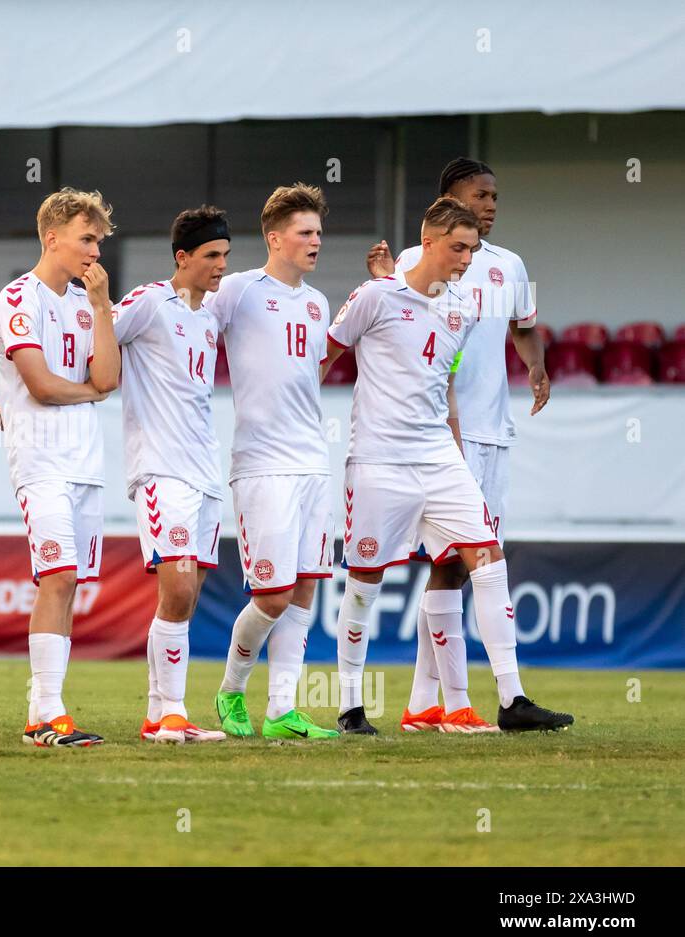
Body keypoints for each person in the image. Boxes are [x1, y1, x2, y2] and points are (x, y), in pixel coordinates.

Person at [320, 197, 572, 734]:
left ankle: (512, 699)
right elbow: (324, 357)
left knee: (486, 554)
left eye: (472, 250)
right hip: (378, 458)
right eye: (458, 248)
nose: (465, 258)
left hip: (439, 455)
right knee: (365, 579)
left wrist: (455, 447)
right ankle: (349, 705)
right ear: (428, 241)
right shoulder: (374, 295)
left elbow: (445, 387)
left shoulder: (463, 308)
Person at [366, 158, 551, 733]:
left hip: (494, 431)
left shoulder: (512, 265)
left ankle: (427, 702)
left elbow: (523, 326)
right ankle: (460, 700)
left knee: (461, 568)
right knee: (462, 562)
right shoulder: (416, 262)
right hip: (441, 432)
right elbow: (391, 318)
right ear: (449, 199)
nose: (491, 204)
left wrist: (537, 368)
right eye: (480, 194)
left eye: (496, 195)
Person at [207, 184, 340, 740]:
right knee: (273, 593)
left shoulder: (317, 303)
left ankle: (283, 710)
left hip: (313, 461)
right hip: (262, 465)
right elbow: (187, 330)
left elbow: (312, 373)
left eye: (318, 232)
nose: (315, 242)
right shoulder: (236, 290)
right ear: (274, 237)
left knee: (305, 588)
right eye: (305, 233)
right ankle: (231, 690)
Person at [0, 187, 119, 747]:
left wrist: (101, 307)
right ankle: (42, 714)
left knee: (67, 589)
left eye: (98, 241)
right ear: (53, 238)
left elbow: (108, 380)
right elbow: (40, 386)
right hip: (40, 462)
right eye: (87, 239)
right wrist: (87, 391)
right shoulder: (19, 299)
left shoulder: (81, 304)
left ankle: (51, 707)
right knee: (57, 577)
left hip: (85, 465)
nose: (94, 251)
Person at [113, 205, 231, 744]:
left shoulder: (209, 316)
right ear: (182, 257)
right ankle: (173, 709)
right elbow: (99, 339)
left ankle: (160, 714)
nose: (220, 266)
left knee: (188, 593)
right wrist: (19, 397)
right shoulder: (147, 302)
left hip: (206, 471)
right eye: (211, 255)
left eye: (226, 255)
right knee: (177, 585)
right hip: (160, 467)